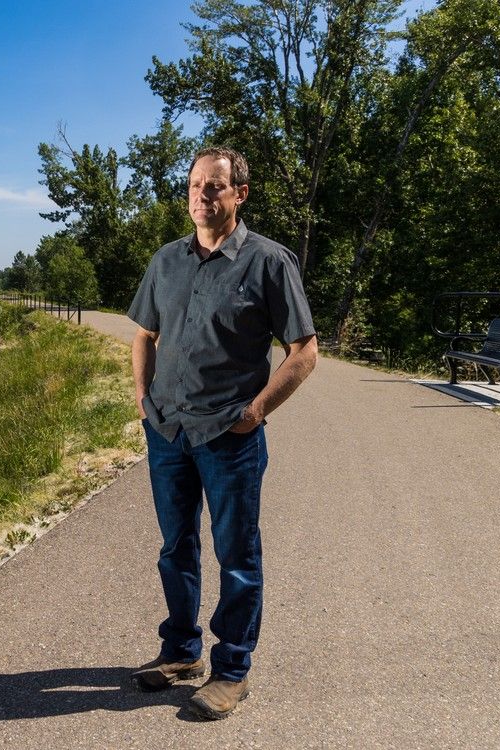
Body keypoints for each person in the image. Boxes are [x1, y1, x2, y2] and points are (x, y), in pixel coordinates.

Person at [126, 146, 317, 720]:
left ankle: (232, 669)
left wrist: (256, 411)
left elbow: (304, 352)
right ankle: (181, 651)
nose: (202, 195)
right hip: (168, 431)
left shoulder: (268, 262)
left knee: (237, 554)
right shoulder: (166, 260)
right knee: (175, 547)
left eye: (214, 186)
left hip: (228, 438)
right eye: (194, 185)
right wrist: (143, 400)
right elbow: (143, 335)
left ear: (240, 194)